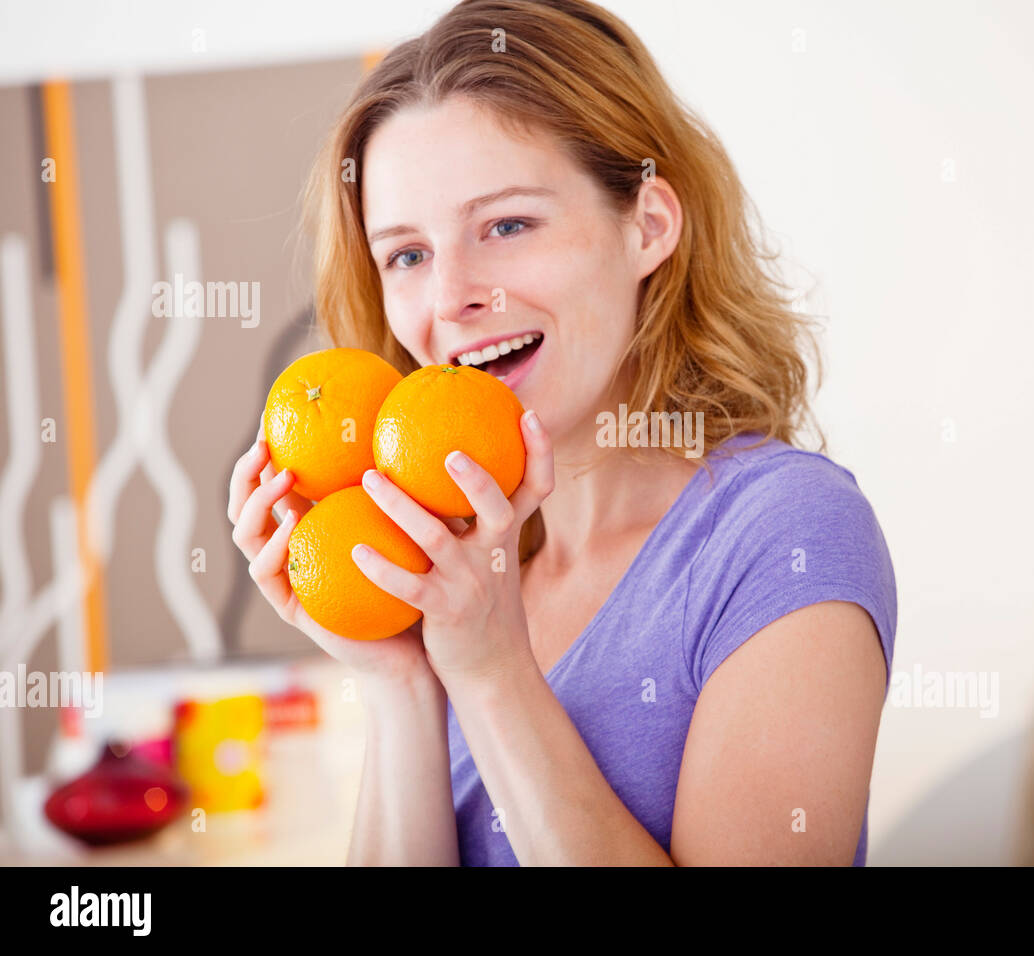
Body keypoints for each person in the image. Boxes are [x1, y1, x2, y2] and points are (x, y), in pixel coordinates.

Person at [228, 0, 896, 866]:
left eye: (506, 225)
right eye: (407, 254)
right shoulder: (465, 569)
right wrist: (401, 683)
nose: (451, 298)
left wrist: (493, 675)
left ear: (648, 225)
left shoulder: (781, 533)